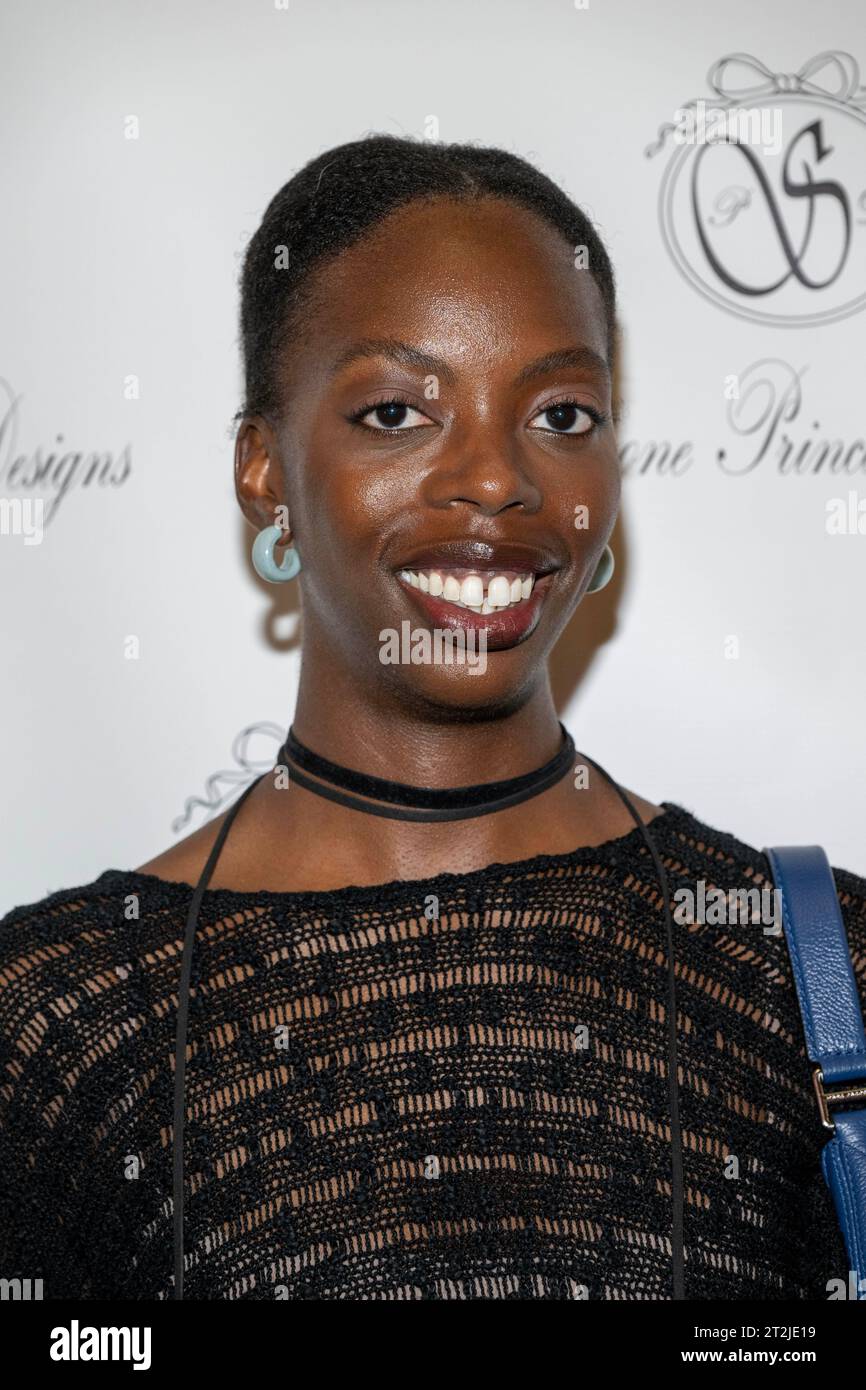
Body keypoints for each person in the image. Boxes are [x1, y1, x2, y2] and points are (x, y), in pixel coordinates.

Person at [1, 134, 864, 1301]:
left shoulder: (805, 969)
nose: (495, 477)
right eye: (398, 411)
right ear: (263, 469)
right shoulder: (63, 1031)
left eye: (561, 413)